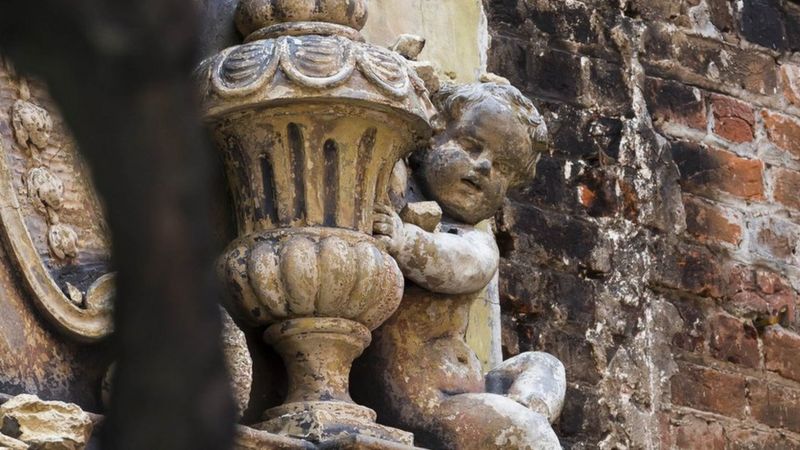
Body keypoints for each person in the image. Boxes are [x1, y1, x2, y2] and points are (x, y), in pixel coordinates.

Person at [356, 82, 565, 450]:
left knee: (545, 365)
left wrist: (406, 241)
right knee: (529, 438)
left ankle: (524, 407)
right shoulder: (396, 198)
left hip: (469, 391)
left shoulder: (473, 240)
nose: (483, 166)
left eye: (502, 167)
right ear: (433, 135)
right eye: (471, 146)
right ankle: (522, 421)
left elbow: (463, 266)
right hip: (432, 403)